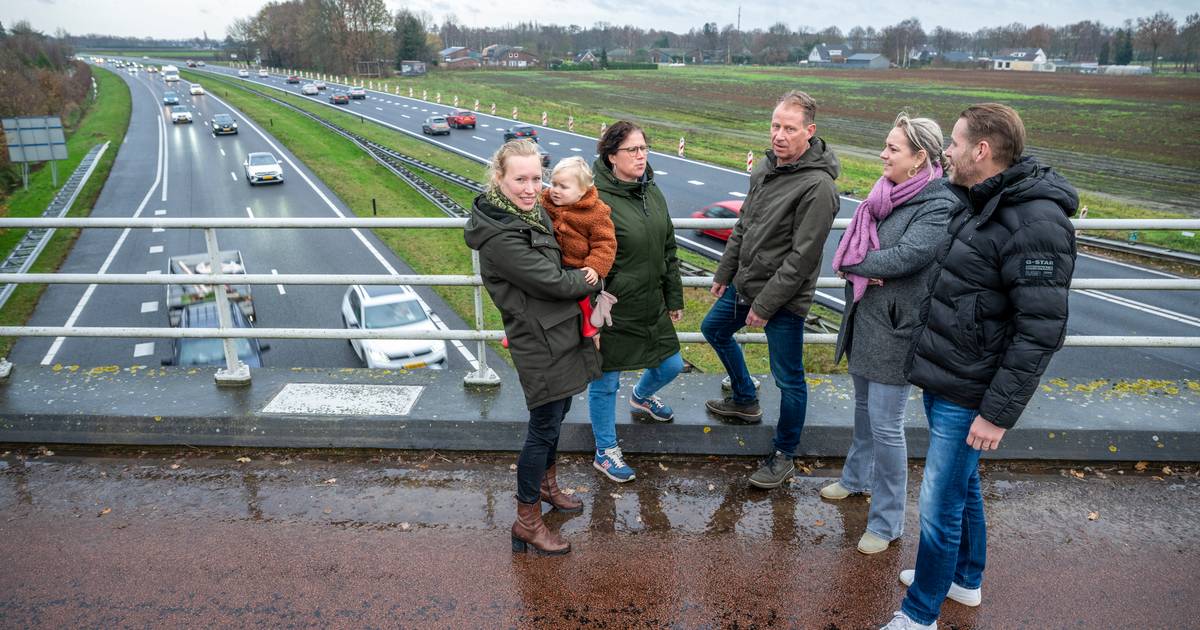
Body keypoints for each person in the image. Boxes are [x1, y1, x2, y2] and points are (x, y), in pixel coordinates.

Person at [880, 103, 1078, 630]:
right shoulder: (979, 200)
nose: (946, 150)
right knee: (960, 487)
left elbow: (1041, 330)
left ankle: (919, 615)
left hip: (972, 388)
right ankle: (963, 580)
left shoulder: (1036, 222)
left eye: (955, 142)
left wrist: (996, 414)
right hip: (950, 373)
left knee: (940, 500)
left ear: (981, 151)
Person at [821, 113, 957, 556]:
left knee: (886, 426)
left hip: (897, 330)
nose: (883, 154)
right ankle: (855, 479)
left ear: (919, 158)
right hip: (865, 318)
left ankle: (887, 522)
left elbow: (907, 257)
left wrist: (855, 263)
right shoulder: (887, 195)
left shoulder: (937, 203)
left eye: (893, 148)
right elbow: (880, 254)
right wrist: (867, 265)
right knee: (863, 412)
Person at [463, 140, 602, 556]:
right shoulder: (501, 236)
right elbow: (555, 281)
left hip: (557, 331)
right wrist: (592, 276)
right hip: (538, 339)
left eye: (536, 178)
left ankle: (546, 486)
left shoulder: (529, 211)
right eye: (519, 179)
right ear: (499, 179)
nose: (530, 188)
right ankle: (527, 521)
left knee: (557, 414)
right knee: (542, 427)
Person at [702, 90, 840, 489]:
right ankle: (745, 398)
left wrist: (763, 306)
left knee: (789, 379)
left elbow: (802, 258)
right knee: (713, 329)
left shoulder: (818, 187)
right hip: (745, 284)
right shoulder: (765, 167)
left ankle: (785, 453)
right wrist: (725, 271)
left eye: (789, 128)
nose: (779, 135)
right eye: (775, 125)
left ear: (809, 132)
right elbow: (744, 225)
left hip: (782, 301)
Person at [588, 120, 685, 483]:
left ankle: (642, 396)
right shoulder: (595, 199)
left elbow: (668, 248)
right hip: (611, 308)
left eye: (644, 148)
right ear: (612, 156)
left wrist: (673, 295)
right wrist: (588, 317)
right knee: (605, 382)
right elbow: (580, 257)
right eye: (632, 149)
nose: (641, 155)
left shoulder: (651, 191)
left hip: (651, 303)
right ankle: (605, 451)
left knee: (672, 364)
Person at [540, 156, 618, 342]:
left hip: (579, 267)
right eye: (554, 184)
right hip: (551, 263)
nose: (555, 191)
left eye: (563, 187)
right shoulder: (544, 202)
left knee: (582, 296)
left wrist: (594, 267)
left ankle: (588, 323)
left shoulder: (596, 212)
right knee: (536, 293)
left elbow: (605, 243)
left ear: (582, 191)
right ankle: (524, 331)